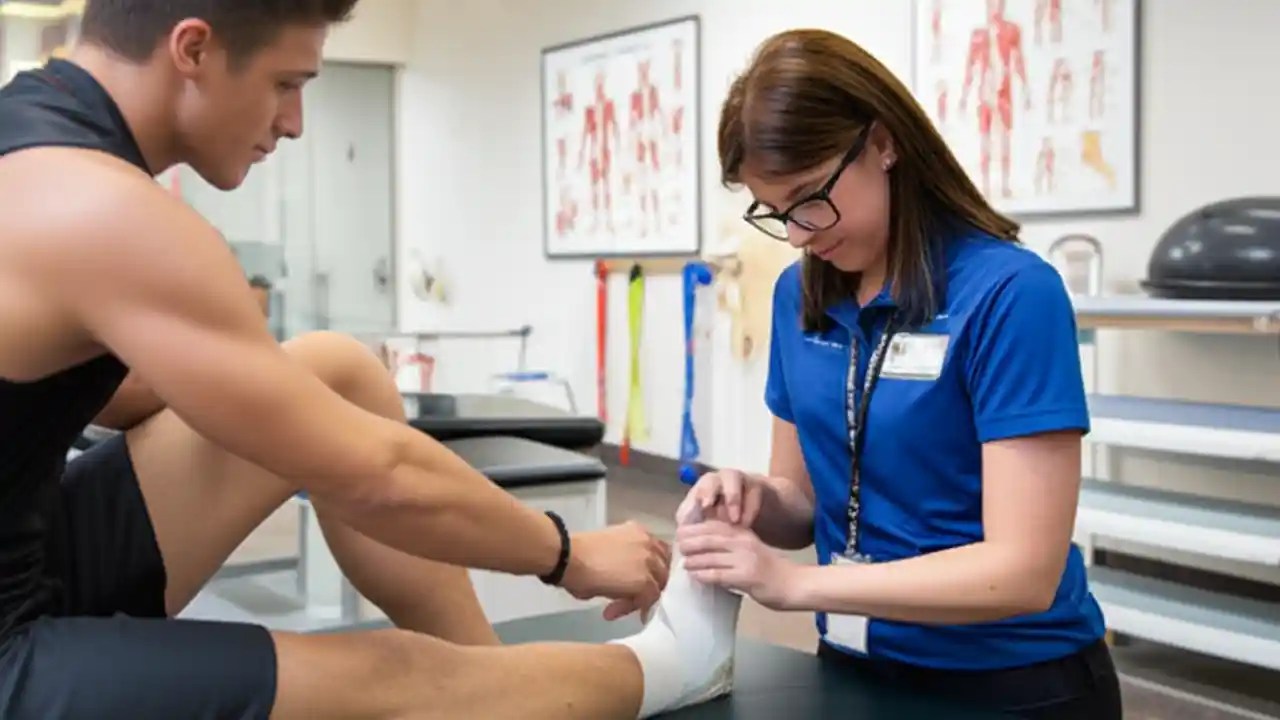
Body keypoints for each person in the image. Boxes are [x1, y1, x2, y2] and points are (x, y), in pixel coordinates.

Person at [0, 1, 740, 718]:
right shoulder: (104, 209)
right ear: (192, 49)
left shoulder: (29, 137)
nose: (293, 123)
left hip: (31, 548)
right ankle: (682, 664)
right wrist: (565, 550)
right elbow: (376, 477)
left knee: (333, 369)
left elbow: (104, 395)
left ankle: (485, 677)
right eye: (286, 84)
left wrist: (226, 373)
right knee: (389, 672)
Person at [676, 28, 1123, 719]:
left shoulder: (1009, 294)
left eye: (808, 197)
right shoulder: (799, 296)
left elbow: (1023, 573)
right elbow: (802, 501)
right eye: (776, 211)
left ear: (883, 143)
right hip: (856, 669)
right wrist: (753, 500)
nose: (797, 234)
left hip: (1013, 683)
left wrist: (797, 587)